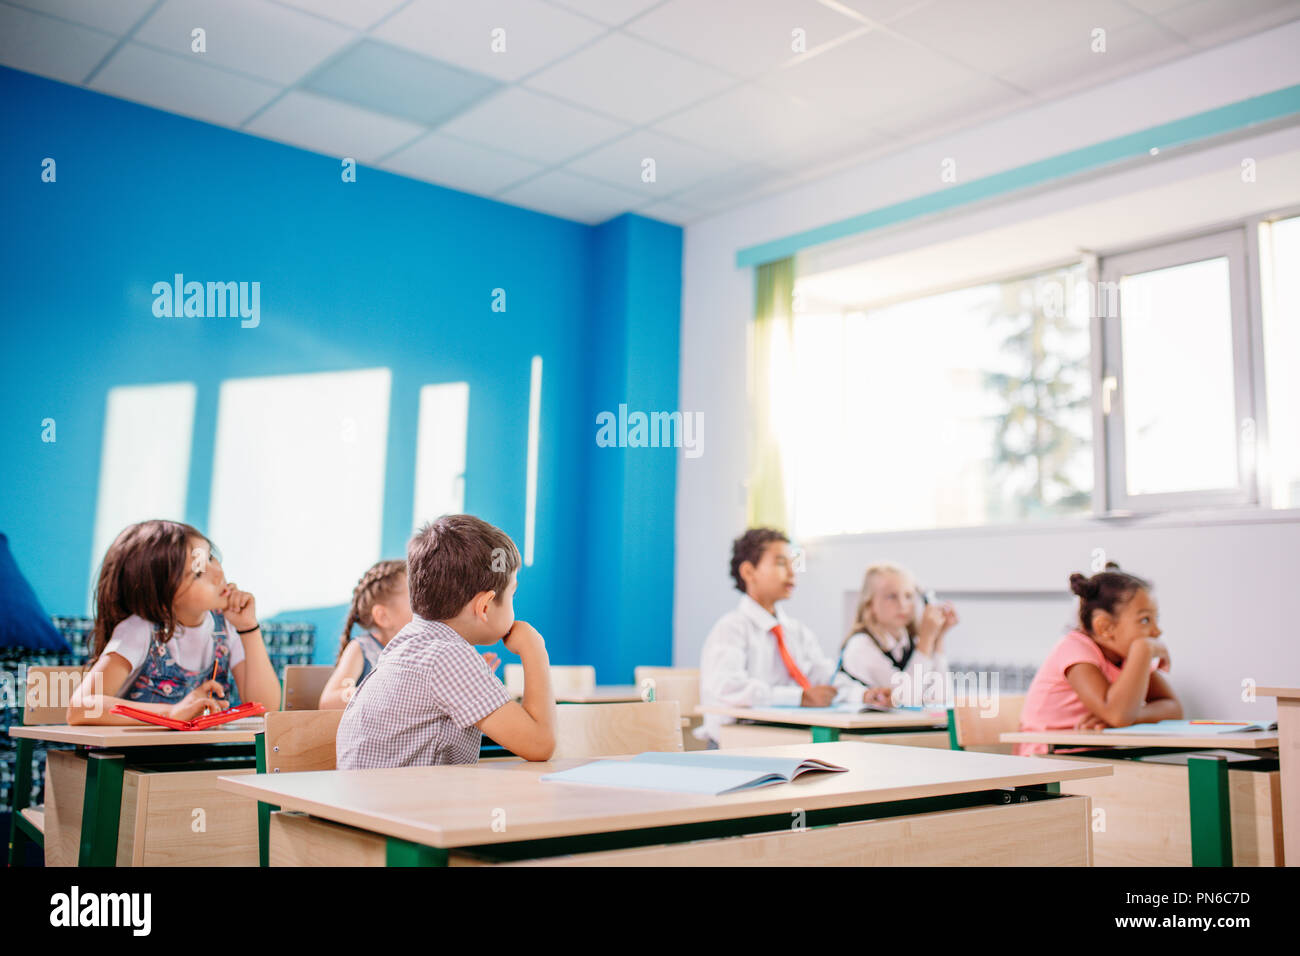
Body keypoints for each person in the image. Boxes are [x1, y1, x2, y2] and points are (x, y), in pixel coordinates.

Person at [336, 514, 555, 768]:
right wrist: (534, 648)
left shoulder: (409, 643)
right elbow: (540, 744)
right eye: (512, 595)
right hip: (397, 805)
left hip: (367, 801)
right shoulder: (447, 656)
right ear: (484, 607)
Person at [68, 520, 281, 724]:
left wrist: (248, 628)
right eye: (198, 573)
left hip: (202, 759)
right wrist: (171, 713)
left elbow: (264, 710)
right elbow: (81, 707)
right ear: (161, 598)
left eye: (210, 558)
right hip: (135, 759)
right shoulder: (140, 630)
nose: (218, 574)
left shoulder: (225, 625)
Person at [1016, 565, 1180, 755]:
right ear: (1105, 627)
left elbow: (1173, 708)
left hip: (1093, 758)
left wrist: (1135, 717)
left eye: (1156, 619)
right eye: (1145, 620)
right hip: (1045, 760)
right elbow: (1118, 715)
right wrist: (1143, 650)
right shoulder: (1075, 650)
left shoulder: (1126, 659)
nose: (1157, 631)